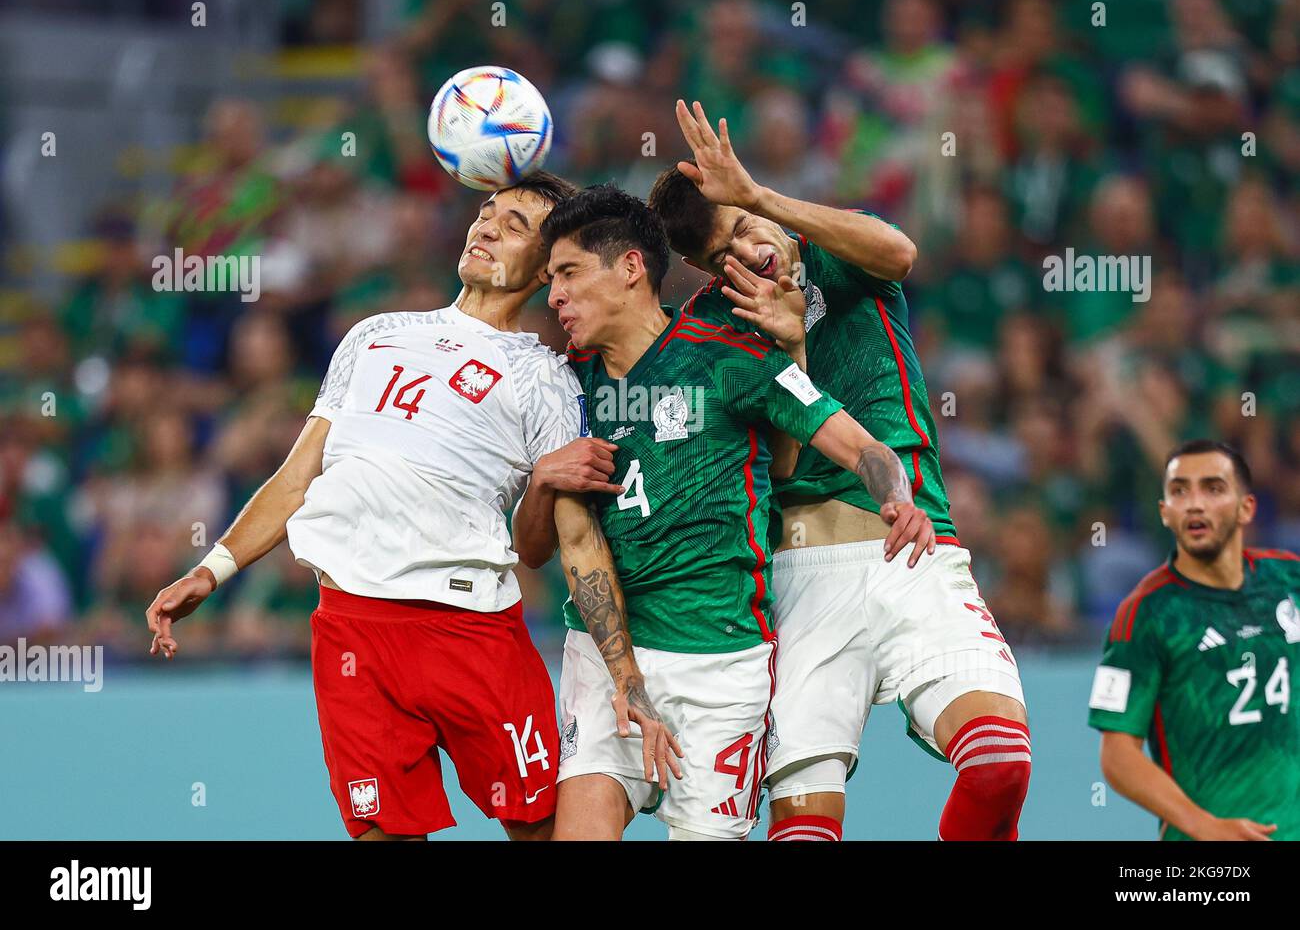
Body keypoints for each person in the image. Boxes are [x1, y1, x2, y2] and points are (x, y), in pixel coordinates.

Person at [145, 172, 678, 840]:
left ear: (548, 269)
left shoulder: (543, 376)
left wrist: (624, 672)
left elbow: (572, 540)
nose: (487, 227)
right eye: (486, 212)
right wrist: (212, 569)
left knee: (543, 829)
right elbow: (298, 475)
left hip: (472, 631)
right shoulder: (374, 334)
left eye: (515, 225)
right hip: (352, 629)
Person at [647, 101, 1030, 841]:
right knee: (804, 829)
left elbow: (900, 253)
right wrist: (788, 348)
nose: (751, 251)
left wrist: (759, 198)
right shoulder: (710, 328)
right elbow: (782, 461)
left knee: (999, 765)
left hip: (911, 546)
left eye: (748, 225)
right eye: (725, 252)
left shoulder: (832, 249)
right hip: (799, 583)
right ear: (702, 269)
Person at [541, 185, 935, 840]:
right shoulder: (566, 386)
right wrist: (627, 679)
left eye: (568, 273)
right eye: (551, 279)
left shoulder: (734, 357)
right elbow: (576, 542)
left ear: (631, 268)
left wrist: (897, 496)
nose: (554, 295)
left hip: (722, 664)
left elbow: (862, 447)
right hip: (608, 654)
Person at [1090, 439, 1300, 841]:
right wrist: (1205, 826)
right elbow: (1117, 754)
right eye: (1179, 491)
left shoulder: (1290, 579)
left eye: (1213, 488)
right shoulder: (1146, 613)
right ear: (1164, 512)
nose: (1194, 504)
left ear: (1246, 508)